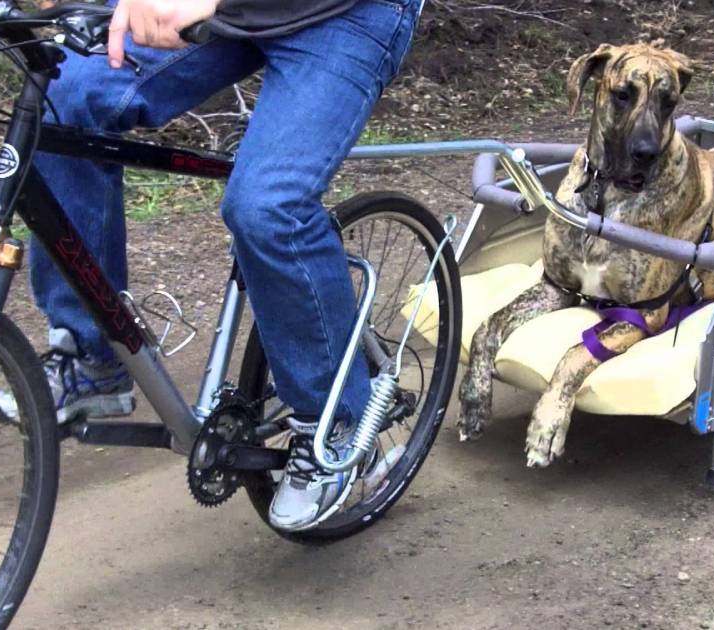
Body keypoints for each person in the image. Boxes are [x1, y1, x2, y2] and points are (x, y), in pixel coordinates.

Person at [27, 0, 421, 531]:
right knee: (59, 104)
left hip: (344, 12)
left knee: (267, 206)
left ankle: (337, 421)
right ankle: (92, 356)